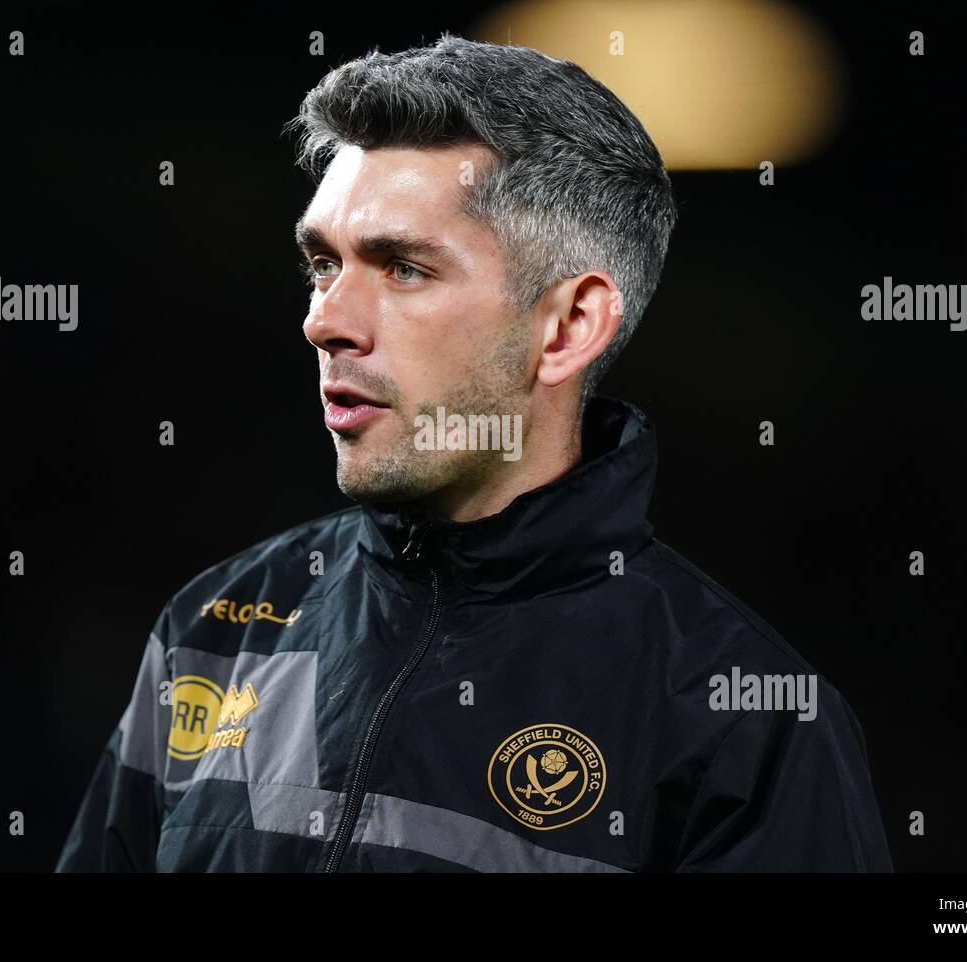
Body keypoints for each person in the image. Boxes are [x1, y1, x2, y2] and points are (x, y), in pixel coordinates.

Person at [56, 33, 892, 872]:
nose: (324, 321)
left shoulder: (744, 721)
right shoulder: (217, 630)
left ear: (569, 326)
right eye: (322, 263)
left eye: (404, 268)